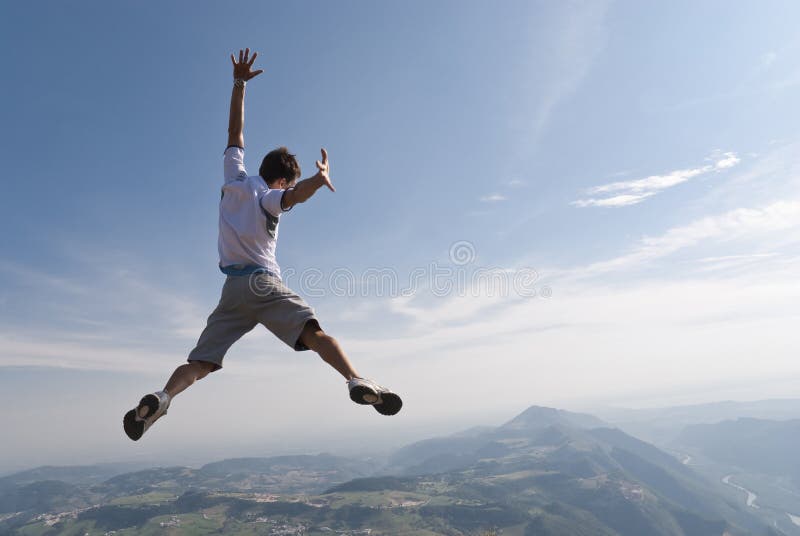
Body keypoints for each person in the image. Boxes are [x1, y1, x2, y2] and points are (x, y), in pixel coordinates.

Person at [123, 48, 402, 441]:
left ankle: (162, 397)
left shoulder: (234, 179)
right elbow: (292, 198)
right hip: (262, 283)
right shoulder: (270, 197)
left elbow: (234, 133)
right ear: (282, 180)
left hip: (232, 290)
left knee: (201, 362)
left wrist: (238, 83)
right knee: (314, 334)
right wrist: (317, 181)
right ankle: (356, 379)